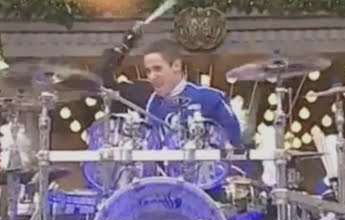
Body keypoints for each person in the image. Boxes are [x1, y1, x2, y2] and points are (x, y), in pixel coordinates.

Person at [98, 37, 243, 147]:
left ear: (176, 66)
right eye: (148, 71)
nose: (152, 76)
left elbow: (235, 147)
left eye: (157, 69)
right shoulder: (152, 105)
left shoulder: (210, 98)